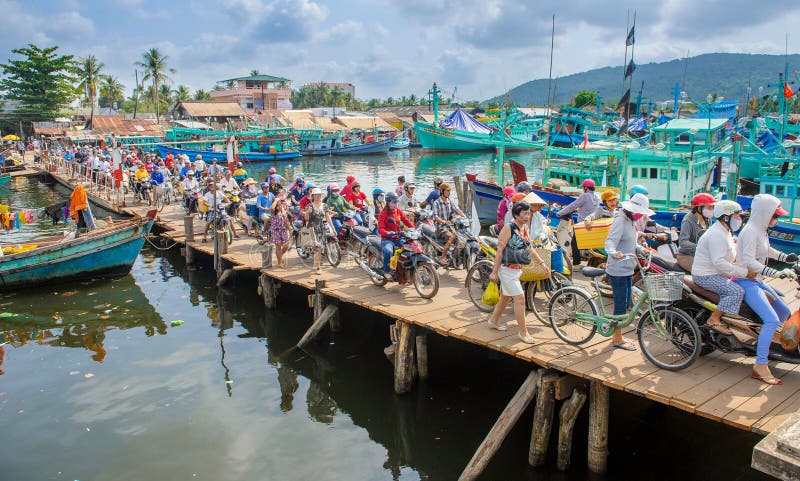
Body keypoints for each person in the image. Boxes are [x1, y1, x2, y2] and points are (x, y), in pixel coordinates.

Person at [734, 194, 798, 385]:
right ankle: (760, 364)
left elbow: (765, 250)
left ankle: (770, 347)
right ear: (764, 213)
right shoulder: (750, 231)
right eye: (775, 215)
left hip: (758, 280)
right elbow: (747, 261)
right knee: (771, 320)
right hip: (745, 280)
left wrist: (785, 258)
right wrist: (775, 273)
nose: (777, 219)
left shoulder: (761, 230)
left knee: (785, 312)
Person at [487, 200, 545, 344]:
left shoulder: (524, 227)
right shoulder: (509, 228)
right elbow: (499, 251)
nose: (527, 216)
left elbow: (530, 248)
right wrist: (494, 272)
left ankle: (493, 320)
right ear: (516, 214)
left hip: (517, 269)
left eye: (529, 213)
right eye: (524, 213)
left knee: (505, 297)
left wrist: (542, 264)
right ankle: (523, 333)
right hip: (506, 269)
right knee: (520, 299)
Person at [604, 193, 655, 350]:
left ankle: (617, 334)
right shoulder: (620, 219)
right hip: (618, 268)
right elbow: (610, 241)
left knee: (626, 302)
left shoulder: (631, 220)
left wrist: (641, 249)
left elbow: (630, 242)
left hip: (628, 268)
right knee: (620, 305)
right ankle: (617, 339)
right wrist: (614, 253)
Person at [691, 200, 747, 335]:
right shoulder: (716, 234)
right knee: (736, 291)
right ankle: (714, 319)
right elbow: (719, 262)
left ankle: (729, 318)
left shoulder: (726, 231)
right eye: (737, 216)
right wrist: (741, 272)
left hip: (718, 273)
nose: (740, 219)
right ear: (726, 217)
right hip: (705, 275)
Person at [557, 179, 599, 266]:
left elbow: (572, 206)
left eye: (583, 187)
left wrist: (560, 213)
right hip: (592, 224)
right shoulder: (596, 197)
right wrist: (578, 210)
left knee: (574, 243)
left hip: (582, 225)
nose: (583, 189)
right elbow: (590, 208)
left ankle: (576, 263)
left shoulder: (585, 196)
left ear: (586, 187)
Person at [377, 192, 414, 276]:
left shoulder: (398, 211)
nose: (396, 204)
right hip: (387, 239)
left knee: (411, 248)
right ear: (388, 202)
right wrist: (388, 233)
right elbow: (380, 229)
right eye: (394, 202)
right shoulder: (383, 214)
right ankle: (386, 271)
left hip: (399, 237)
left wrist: (414, 229)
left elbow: (406, 221)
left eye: (397, 202)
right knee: (388, 251)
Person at [676, 193, 715, 272]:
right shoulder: (688, 220)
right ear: (699, 208)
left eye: (713, 207)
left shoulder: (707, 219)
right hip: (687, 256)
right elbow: (683, 242)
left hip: (702, 255)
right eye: (709, 207)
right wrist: (700, 247)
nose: (712, 209)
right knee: (704, 273)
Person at [431, 182, 465, 266]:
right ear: (442, 191)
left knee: (462, 238)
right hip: (440, 228)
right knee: (453, 237)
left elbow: (458, 210)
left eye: (450, 191)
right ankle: (442, 257)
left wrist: (465, 217)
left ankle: (455, 259)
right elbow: (435, 217)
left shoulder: (450, 201)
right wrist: (444, 221)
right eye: (447, 191)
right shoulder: (436, 203)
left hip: (450, 227)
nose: (449, 193)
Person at [304, 187, 335, 273]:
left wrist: (333, 228)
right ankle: (317, 267)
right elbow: (306, 219)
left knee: (320, 248)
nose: (318, 196)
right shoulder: (309, 206)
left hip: (322, 227)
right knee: (318, 246)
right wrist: (307, 212)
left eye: (319, 195)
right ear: (313, 196)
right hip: (312, 227)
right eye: (316, 195)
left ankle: (316, 266)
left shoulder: (324, 206)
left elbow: (328, 218)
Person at [269, 195, 291, 268]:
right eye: (277, 206)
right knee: (278, 246)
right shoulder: (273, 212)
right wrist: (276, 200)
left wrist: (290, 231)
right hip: (275, 231)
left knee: (286, 245)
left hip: (283, 230)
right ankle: (280, 261)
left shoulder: (283, 212)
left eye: (280, 205)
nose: (279, 207)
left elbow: (287, 222)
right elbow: (272, 208)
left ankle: (280, 256)